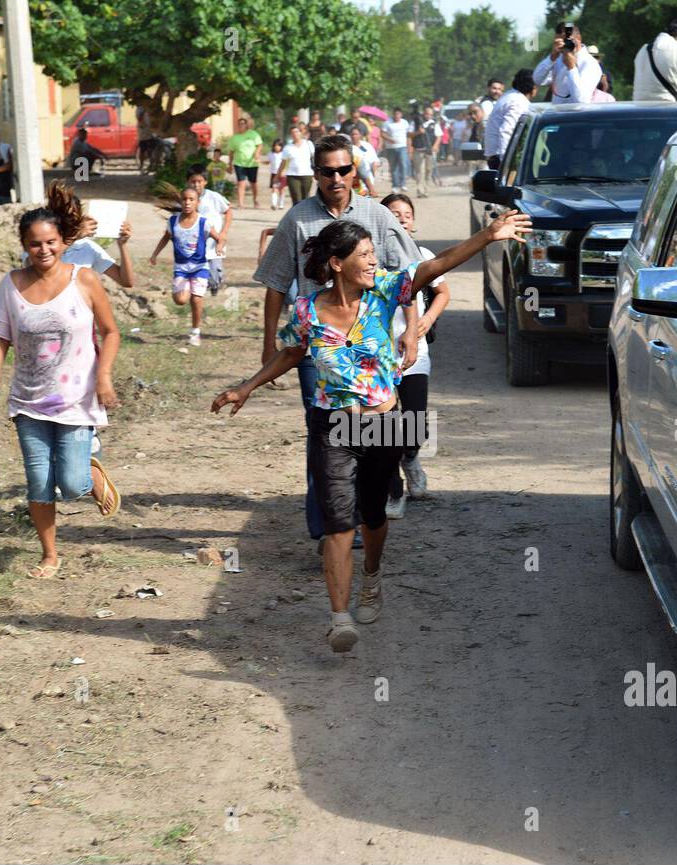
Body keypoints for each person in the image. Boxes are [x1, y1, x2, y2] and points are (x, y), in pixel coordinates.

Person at [212, 210, 532, 651]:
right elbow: (292, 353)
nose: (373, 261)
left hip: (385, 421)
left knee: (373, 514)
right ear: (338, 263)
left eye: (374, 253)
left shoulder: (384, 292)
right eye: (364, 254)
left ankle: (373, 575)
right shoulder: (306, 309)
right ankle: (340, 617)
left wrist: (488, 235)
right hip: (333, 424)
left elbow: (433, 268)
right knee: (338, 523)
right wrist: (246, 387)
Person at [251, 133, 422, 545]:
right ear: (315, 174)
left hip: (369, 346)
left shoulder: (377, 217)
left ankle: (364, 515)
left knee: (369, 436)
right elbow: (276, 283)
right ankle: (332, 528)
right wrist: (268, 343)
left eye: (344, 169)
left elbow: (408, 279)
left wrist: (411, 333)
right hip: (316, 344)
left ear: (355, 170)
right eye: (327, 171)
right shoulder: (298, 219)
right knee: (324, 429)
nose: (337, 178)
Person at [0, 200, 122, 579]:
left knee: (71, 484)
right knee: (39, 479)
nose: (44, 250)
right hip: (28, 397)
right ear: (24, 245)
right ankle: (49, 556)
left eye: (51, 242)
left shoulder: (84, 279)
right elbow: (0, 334)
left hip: (77, 398)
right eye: (34, 244)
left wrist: (104, 376)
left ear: (63, 241)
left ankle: (88, 474)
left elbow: (110, 332)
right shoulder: (11, 284)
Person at [380, 193, 448, 519]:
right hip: (376, 356)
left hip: (415, 352)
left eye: (407, 213)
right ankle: (392, 491)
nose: (402, 218)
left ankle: (411, 456)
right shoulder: (369, 258)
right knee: (385, 424)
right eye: (394, 213)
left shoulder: (422, 256)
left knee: (416, 421)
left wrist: (428, 319)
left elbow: (442, 292)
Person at [149, 186, 225, 347]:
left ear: (198, 203)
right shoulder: (173, 221)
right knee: (181, 300)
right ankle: (188, 291)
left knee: (197, 299)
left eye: (191, 199)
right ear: (180, 201)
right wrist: (155, 254)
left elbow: (220, 238)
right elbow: (165, 238)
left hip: (199, 266)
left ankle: (195, 332)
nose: (187, 203)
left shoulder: (203, 222)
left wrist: (219, 246)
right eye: (184, 199)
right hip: (181, 268)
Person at [186, 166, 233, 294]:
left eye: (199, 181)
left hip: (214, 241)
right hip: (194, 242)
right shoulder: (186, 198)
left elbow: (228, 211)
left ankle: (215, 287)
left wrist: (223, 232)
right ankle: (199, 291)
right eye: (193, 181)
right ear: (188, 182)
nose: (196, 185)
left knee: (215, 270)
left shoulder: (213, 197)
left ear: (205, 181)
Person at [533, 21, 603, 104]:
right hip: (557, 115)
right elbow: (537, 80)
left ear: (579, 38)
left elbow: (580, 100)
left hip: (578, 116)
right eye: (562, 41)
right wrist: (551, 58)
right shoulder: (557, 59)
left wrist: (572, 68)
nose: (566, 44)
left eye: (567, 40)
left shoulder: (590, 64)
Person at [486, 69, 537, 169]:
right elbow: (506, 131)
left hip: (496, 155)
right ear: (533, 87)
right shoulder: (518, 102)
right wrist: (508, 163)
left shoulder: (510, 96)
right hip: (501, 157)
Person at [228, 116, 263, 209]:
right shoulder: (234, 137)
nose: (241, 125)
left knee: (253, 182)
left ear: (246, 125)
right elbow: (231, 152)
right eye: (239, 124)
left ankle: (255, 200)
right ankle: (240, 203)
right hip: (239, 163)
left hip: (252, 163)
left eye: (243, 124)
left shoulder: (253, 134)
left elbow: (259, 145)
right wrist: (229, 164)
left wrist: (257, 153)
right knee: (241, 182)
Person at [409, 106, 439, 198]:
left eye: (430, 114)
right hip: (418, 150)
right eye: (427, 113)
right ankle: (420, 190)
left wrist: (435, 146)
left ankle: (426, 190)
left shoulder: (434, 124)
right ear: (423, 113)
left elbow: (439, 136)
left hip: (430, 151)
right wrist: (418, 132)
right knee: (419, 171)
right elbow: (409, 134)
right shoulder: (415, 122)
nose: (428, 116)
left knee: (428, 170)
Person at [282, 124, 316, 204]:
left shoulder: (308, 144)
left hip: (307, 174)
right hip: (292, 175)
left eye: (296, 132)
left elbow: (314, 158)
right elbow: (283, 162)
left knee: (305, 197)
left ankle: (305, 215)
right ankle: (296, 215)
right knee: (296, 198)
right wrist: (278, 174)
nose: (295, 134)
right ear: (291, 135)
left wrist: (317, 171)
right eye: (292, 132)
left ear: (300, 133)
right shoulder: (287, 147)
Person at [381, 107, 411, 191]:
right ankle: (395, 185)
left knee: (403, 165)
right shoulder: (387, 123)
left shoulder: (405, 123)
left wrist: (409, 146)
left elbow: (408, 135)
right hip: (391, 148)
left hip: (402, 146)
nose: (397, 116)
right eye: (395, 114)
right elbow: (382, 134)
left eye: (398, 114)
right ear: (393, 114)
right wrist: (389, 139)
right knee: (393, 166)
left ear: (401, 114)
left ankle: (403, 184)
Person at [349, 127, 380, 198]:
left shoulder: (367, 146)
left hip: (369, 178)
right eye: (352, 134)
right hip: (357, 181)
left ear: (360, 135)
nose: (354, 136)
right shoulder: (349, 148)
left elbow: (375, 161)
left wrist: (375, 176)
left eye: (356, 134)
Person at [267, 138, 288, 209]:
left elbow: (285, 164)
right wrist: (260, 161)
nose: (277, 147)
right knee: (274, 188)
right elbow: (268, 162)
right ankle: (274, 204)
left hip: (282, 174)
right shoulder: (271, 154)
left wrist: (284, 172)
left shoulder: (283, 154)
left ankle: (281, 204)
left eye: (279, 146)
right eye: (275, 145)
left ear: (281, 146)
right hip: (274, 173)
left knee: (281, 190)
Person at [136, 107, 155, 173]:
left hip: (150, 132)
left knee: (151, 150)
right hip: (143, 133)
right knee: (143, 151)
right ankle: (141, 166)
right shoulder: (140, 109)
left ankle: (152, 165)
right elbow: (139, 119)